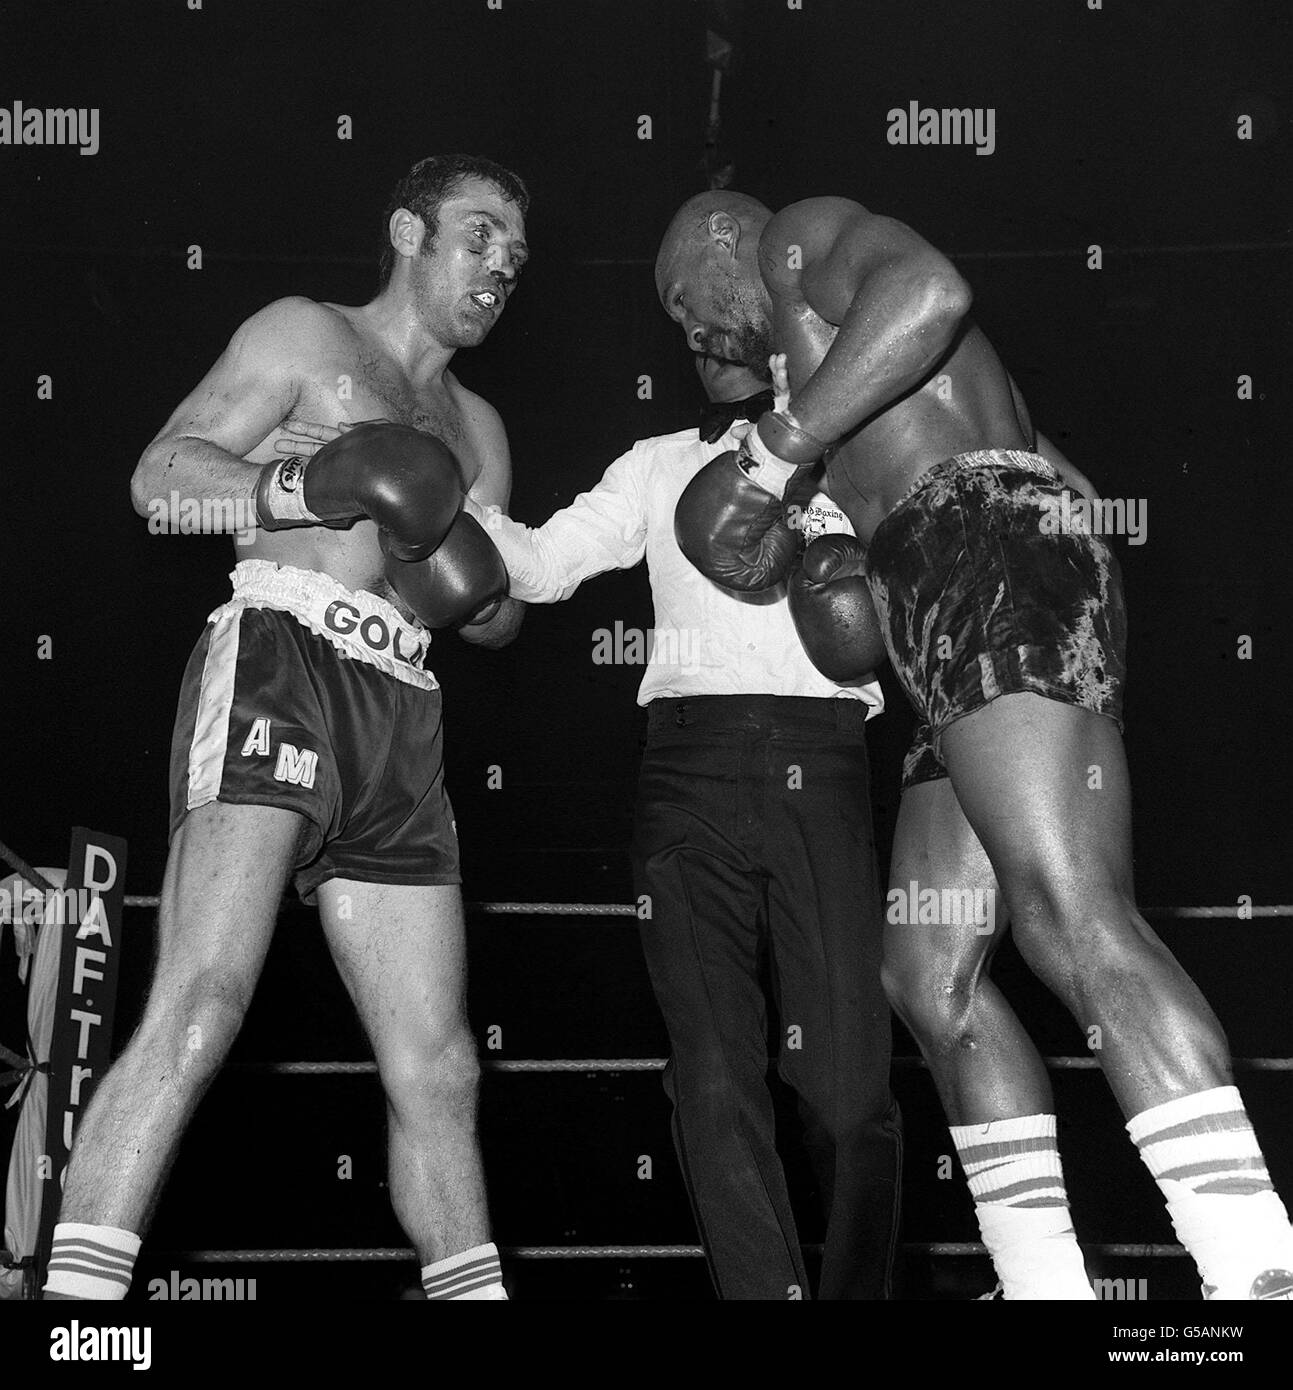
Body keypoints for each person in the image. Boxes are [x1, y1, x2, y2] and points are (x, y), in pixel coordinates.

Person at [665, 190, 1293, 1300]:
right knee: (926, 970)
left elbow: (933, 291)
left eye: (682, 300)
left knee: (1070, 910)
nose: (690, 334)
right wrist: (836, 546)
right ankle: (1044, 1284)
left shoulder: (797, 238)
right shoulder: (826, 392)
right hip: (958, 596)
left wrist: (775, 457)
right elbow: (1077, 495)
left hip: (986, 560)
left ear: (723, 246)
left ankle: (1255, 1268)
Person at [43, 154, 529, 1302]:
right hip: (281, 659)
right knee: (205, 999)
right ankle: (71, 1319)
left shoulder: (482, 427)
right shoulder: (305, 335)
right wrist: (312, 485)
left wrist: (475, 580)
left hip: (403, 702)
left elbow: (497, 621)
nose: (503, 265)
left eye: (517, 254)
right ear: (408, 231)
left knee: (442, 1068)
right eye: (480, 235)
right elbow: (160, 478)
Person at [459, 349, 903, 1299]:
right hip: (685, 766)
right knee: (710, 1071)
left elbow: (924, 603)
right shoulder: (656, 462)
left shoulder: (865, 459)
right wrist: (444, 499)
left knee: (849, 1086)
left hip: (821, 758)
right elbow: (541, 565)